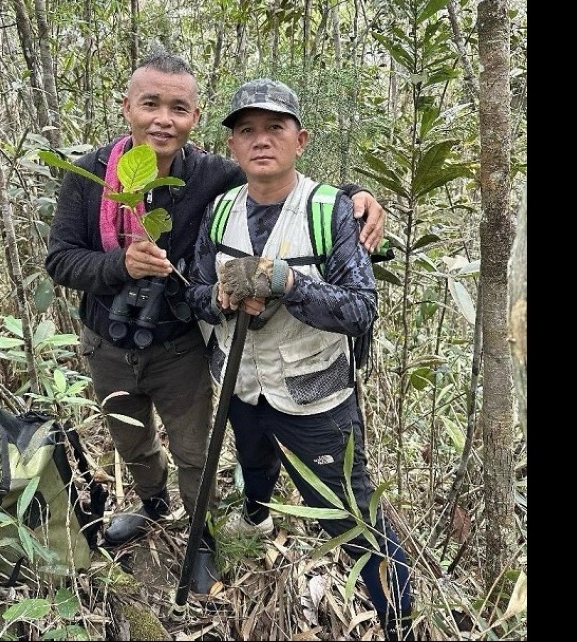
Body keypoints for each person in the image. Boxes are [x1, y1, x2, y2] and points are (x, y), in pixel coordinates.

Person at [45, 52, 387, 592]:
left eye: (177, 108)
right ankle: (154, 505)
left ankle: (202, 535)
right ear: (126, 107)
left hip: (181, 347)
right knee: (132, 443)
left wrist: (355, 197)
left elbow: (277, 178)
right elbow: (60, 259)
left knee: (193, 450)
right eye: (150, 104)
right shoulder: (90, 176)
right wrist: (120, 265)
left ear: (194, 117)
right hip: (107, 339)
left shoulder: (210, 176)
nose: (162, 118)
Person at [184, 78, 415, 640]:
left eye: (274, 128)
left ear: (300, 139)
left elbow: (361, 308)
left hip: (316, 400)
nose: (260, 140)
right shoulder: (218, 212)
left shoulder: (330, 208)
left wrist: (288, 282)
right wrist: (217, 297)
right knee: (254, 466)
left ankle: (400, 617)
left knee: (348, 515)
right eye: (246, 131)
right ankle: (256, 518)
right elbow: (191, 290)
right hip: (241, 384)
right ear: (233, 147)